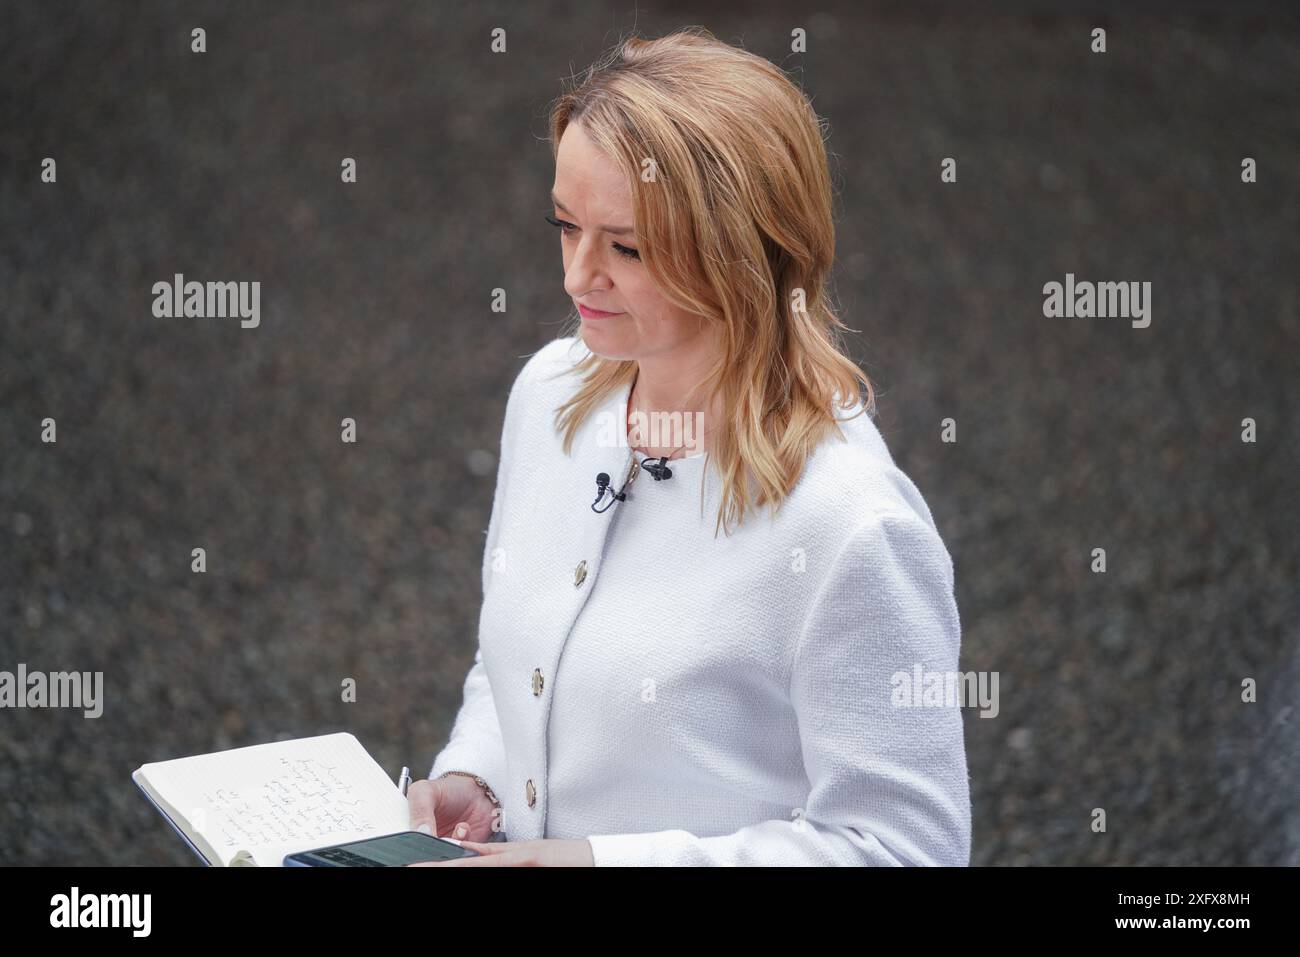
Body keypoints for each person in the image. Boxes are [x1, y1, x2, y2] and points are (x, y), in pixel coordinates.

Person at [407, 27, 970, 867]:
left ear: (742, 254)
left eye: (626, 247)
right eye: (566, 226)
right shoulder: (550, 394)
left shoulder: (852, 525)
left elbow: (903, 849)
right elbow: (517, 664)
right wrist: (478, 777)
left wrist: (605, 864)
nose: (575, 276)